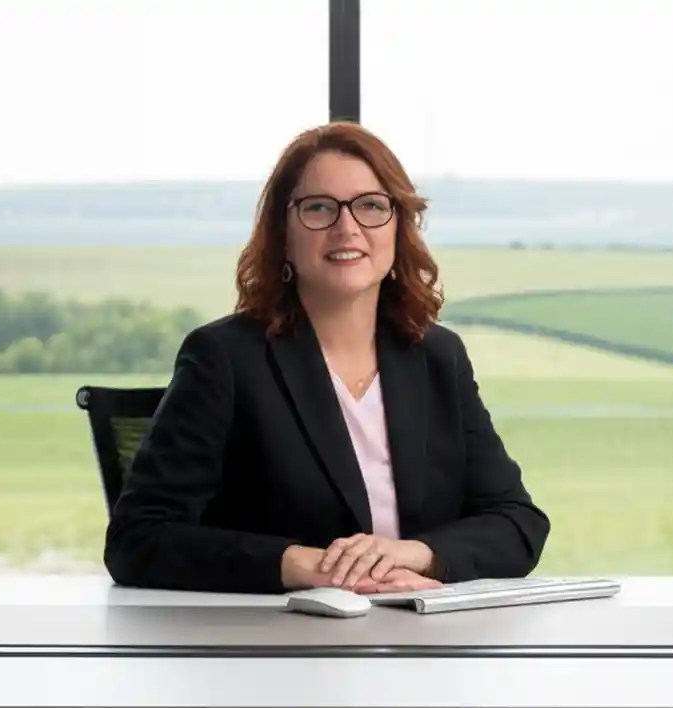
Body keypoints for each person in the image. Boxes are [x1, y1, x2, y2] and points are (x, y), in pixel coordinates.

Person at [104, 122, 549, 594]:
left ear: (399, 227)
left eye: (372, 206)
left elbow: (517, 524)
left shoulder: (437, 356)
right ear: (283, 232)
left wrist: (416, 555)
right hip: (279, 647)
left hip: (420, 642)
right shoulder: (225, 358)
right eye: (319, 208)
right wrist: (307, 567)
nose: (347, 227)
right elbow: (139, 538)